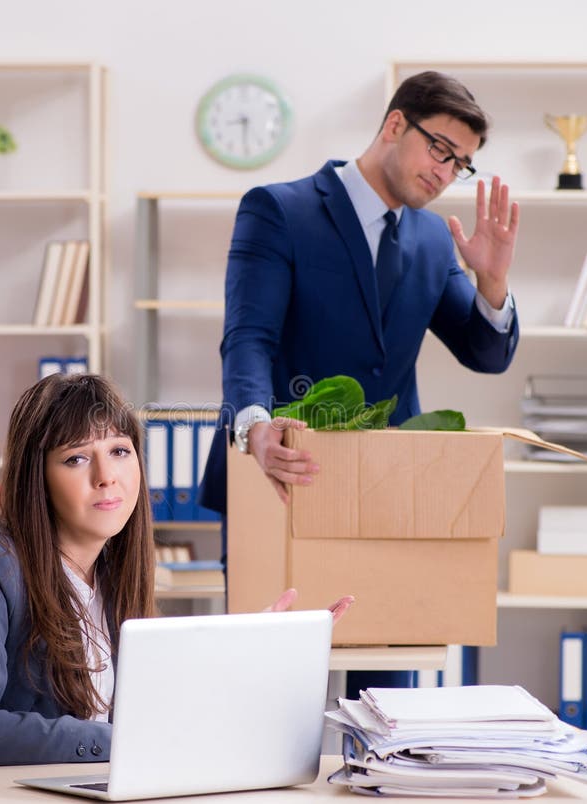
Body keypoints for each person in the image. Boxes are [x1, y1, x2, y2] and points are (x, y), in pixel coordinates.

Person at [196, 70, 520, 691]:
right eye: (440, 150)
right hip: (281, 474)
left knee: (384, 703)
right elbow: (248, 337)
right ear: (396, 124)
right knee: (267, 687)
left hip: (385, 491)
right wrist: (256, 427)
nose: (445, 172)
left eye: (461, 165)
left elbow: (484, 354)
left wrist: (493, 282)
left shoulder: (431, 238)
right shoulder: (280, 209)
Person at [0, 372, 352, 767]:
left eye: (120, 451)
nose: (107, 476)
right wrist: (118, 741)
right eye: (77, 458)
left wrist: (244, 655)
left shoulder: (112, 570)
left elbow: (152, 706)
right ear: (36, 477)